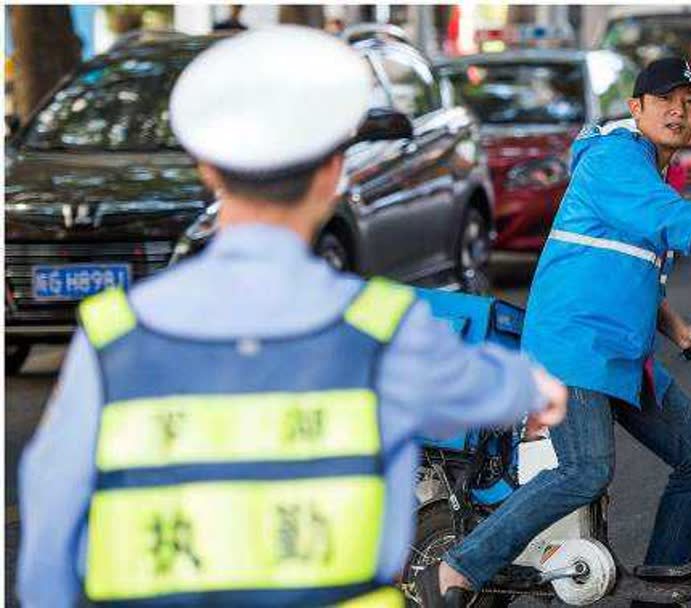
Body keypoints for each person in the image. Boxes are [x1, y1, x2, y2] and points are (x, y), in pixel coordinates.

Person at [16, 26, 567, 607]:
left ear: (206, 169)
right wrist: (536, 389)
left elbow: (51, 536)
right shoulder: (384, 330)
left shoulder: (111, 338)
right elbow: (499, 390)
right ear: (333, 173)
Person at [424, 57, 691, 605]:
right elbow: (674, 221)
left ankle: (657, 592)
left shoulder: (649, 167)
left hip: (623, 353)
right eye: (666, 100)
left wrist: (679, 330)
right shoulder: (612, 159)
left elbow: (633, 268)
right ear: (635, 107)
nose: (680, 111)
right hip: (572, 346)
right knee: (585, 469)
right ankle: (458, 570)